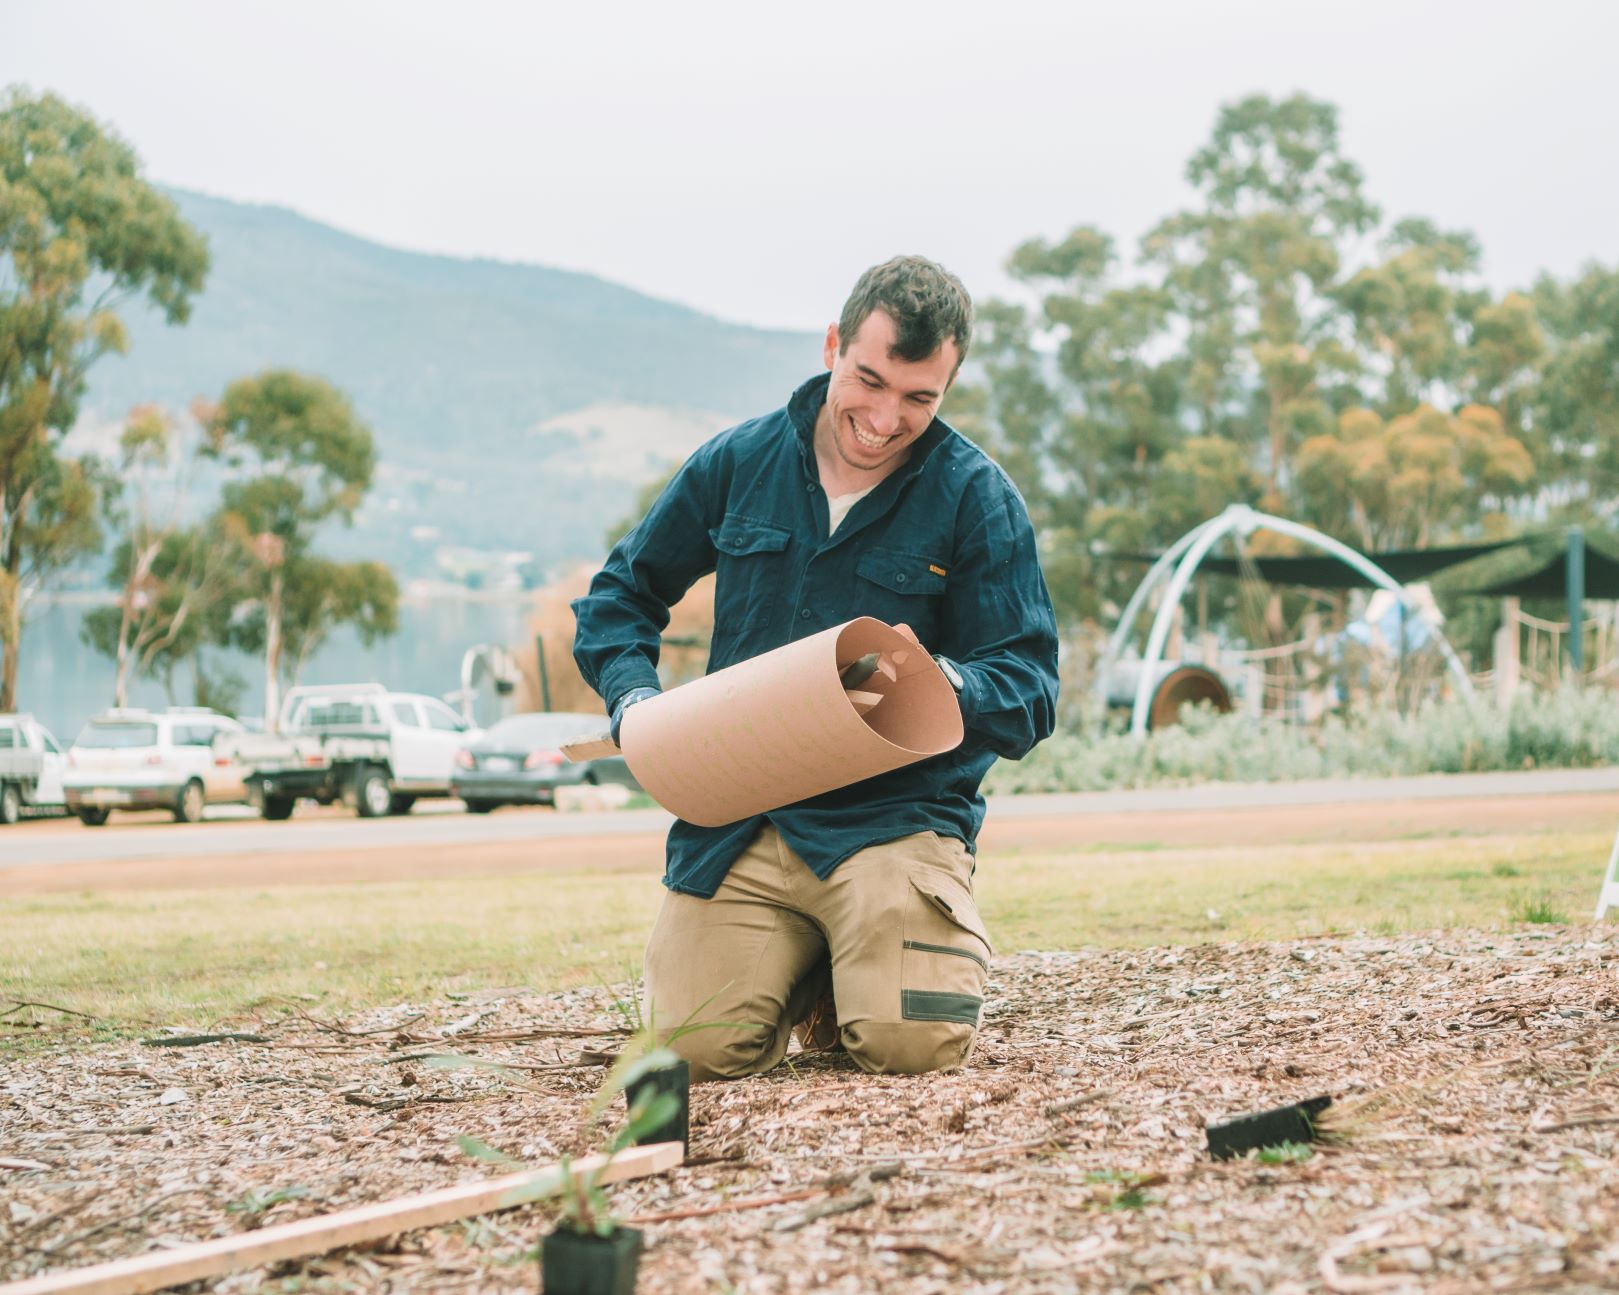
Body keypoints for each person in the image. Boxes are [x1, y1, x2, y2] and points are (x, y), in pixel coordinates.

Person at [572, 255, 1058, 1081]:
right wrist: (635, 702)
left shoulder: (977, 497)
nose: (882, 416)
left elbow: (1030, 686)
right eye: (867, 379)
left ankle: (859, 967)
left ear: (947, 388)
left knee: (912, 1046)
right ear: (833, 343)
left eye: (917, 398)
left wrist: (943, 680)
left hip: (892, 823)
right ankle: (813, 964)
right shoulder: (736, 462)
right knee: (689, 1054)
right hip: (742, 821)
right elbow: (618, 598)